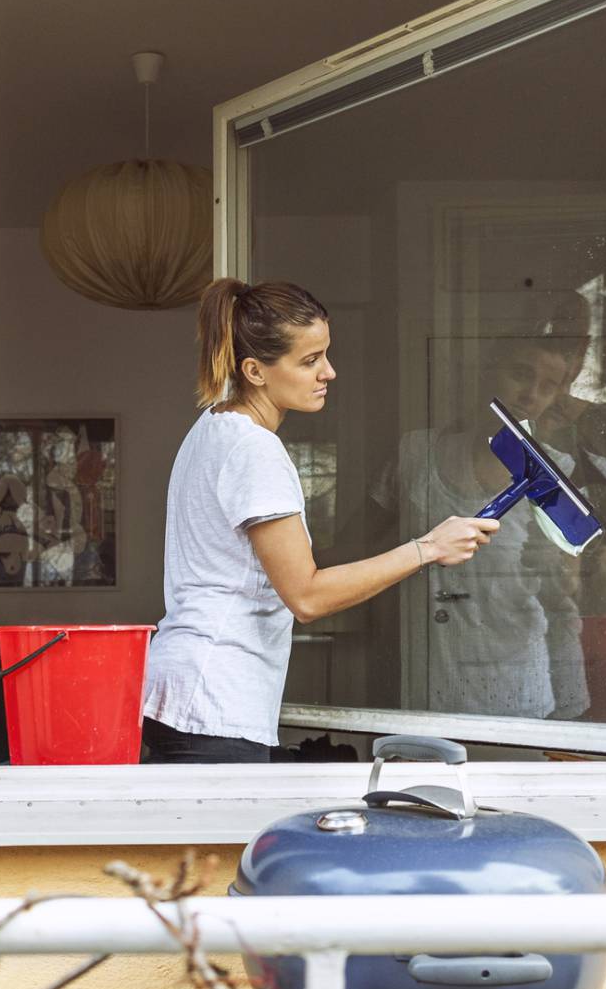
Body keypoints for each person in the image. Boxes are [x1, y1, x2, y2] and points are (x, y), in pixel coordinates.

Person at [140, 278, 500, 764]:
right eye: (309, 361)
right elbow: (306, 595)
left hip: (187, 694)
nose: (328, 372)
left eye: (325, 354)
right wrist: (428, 549)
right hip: (213, 700)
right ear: (255, 370)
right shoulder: (254, 450)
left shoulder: (212, 428)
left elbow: (281, 569)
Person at [374, 331, 590, 721]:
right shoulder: (416, 454)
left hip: (517, 681)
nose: (531, 394)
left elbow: (571, 587)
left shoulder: (555, 473)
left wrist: (552, 566)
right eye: (521, 374)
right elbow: (359, 547)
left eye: (548, 386)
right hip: (431, 675)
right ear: (486, 374)